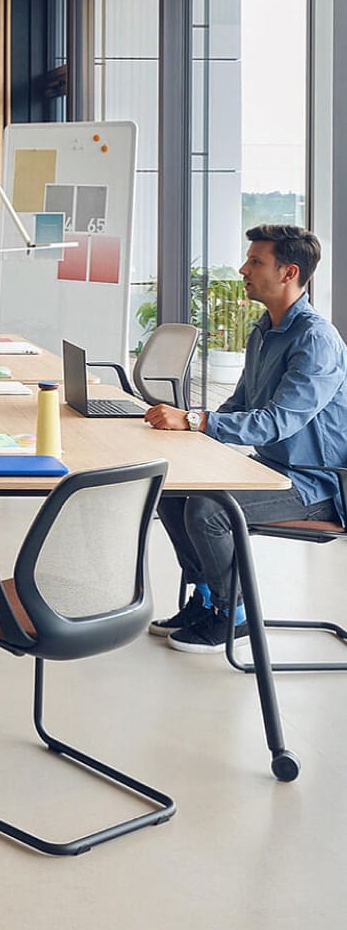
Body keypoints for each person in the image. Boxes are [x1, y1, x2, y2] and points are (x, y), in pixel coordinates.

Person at [145, 224, 347, 654]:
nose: (242, 269)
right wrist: (186, 432)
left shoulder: (315, 340)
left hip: (317, 484)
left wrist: (196, 421)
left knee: (209, 510)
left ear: (289, 272)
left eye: (255, 261)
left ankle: (232, 614)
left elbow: (276, 423)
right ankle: (206, 598)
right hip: (270, 469)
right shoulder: (264, 329)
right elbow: (239, 404)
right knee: (171, 490)